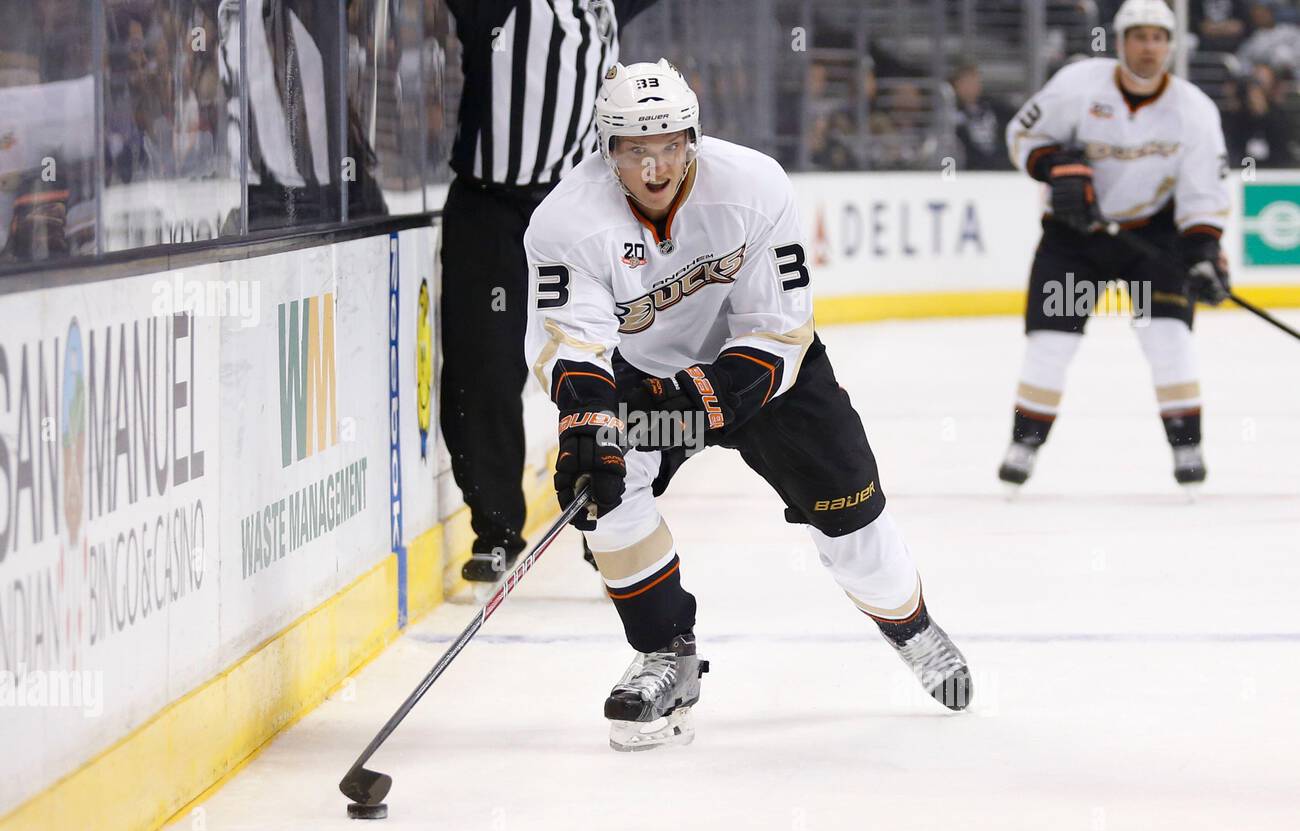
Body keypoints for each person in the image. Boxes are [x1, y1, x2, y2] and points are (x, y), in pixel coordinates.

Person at [524, 59, 973, 751]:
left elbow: (779, 329)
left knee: (853, 524)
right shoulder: (565, 222)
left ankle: (911, 627)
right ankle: (665, 655)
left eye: (669, 144)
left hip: (766, 380)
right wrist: (589, 424)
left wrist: (707, 395)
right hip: (645, 378)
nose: (654, 166)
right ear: (606, 150)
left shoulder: (754, 185)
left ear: (692, 137)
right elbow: (572, 345)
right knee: (605, 490)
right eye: (635, 149)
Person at [440, 0, 657, 593]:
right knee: (482, 368)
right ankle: (497, 528)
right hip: (491, 209)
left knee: (616, 363)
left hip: (581, 209)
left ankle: (613, 515)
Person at [998, 0, 1231, 490]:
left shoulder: (1193, 110)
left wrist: (1204, 253)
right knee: (1050, 344)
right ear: (1120, 42)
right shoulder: (1078, 86)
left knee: (1168, 340)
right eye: (1139, 36)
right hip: (1075, 240)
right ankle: (1025, 443)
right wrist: (1055, 166)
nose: (1149, 47)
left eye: (1158, 38)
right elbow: (1023, 134)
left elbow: (1202, 192)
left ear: (1170, 45)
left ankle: (1187, 446)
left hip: (1152, 238)